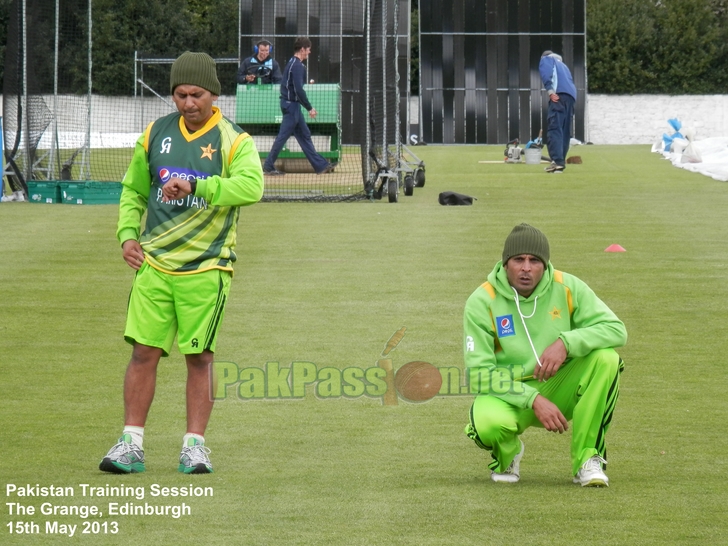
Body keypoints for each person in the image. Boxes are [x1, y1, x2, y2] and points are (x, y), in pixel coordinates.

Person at [99, 51, 264, 475]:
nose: (188, 103)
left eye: (197, 94)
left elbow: (251, 186)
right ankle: (130, 445)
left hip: (208, 268)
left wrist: (195, 183)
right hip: (153, 265)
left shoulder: (234, 140)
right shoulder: (156, 133)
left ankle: (195, 446)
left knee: (200, 359)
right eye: (180, 94)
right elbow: (134, 190)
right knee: (142, 354)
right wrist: (127, 236)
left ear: (213, 93)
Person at [463, 223, 627, 487]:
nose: (526, 268)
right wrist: (533, 398)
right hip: (512, 393)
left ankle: (588, 459)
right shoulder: (482, 301)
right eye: (518, 260)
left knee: (606, 358)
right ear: (506, 264)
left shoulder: (568, 286)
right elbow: (479, 375)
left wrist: (566, 343)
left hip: (561, 386)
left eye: (535, 261)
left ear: (546, 264)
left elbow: (617, 330)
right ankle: (508, 454)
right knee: (486, 424)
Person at [262, 37, 336, 176]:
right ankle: (268, 166)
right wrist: (310, 108)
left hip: (291, 105)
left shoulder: (292, 63)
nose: (309, 52)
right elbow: (298, 90)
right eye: (308, 49)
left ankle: (320, 165)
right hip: (291, 106)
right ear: (302, 49)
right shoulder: (297, 66)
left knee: (304, 135)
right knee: (283, 136)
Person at [539, 51, 577, 173]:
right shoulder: (564, 66)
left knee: (554, 127)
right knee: (564, 131)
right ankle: (560, 162)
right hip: (570, 97)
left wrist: (550, 90)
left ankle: (556, 161)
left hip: (559, 96)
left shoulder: (547, 59)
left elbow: (546, 72)